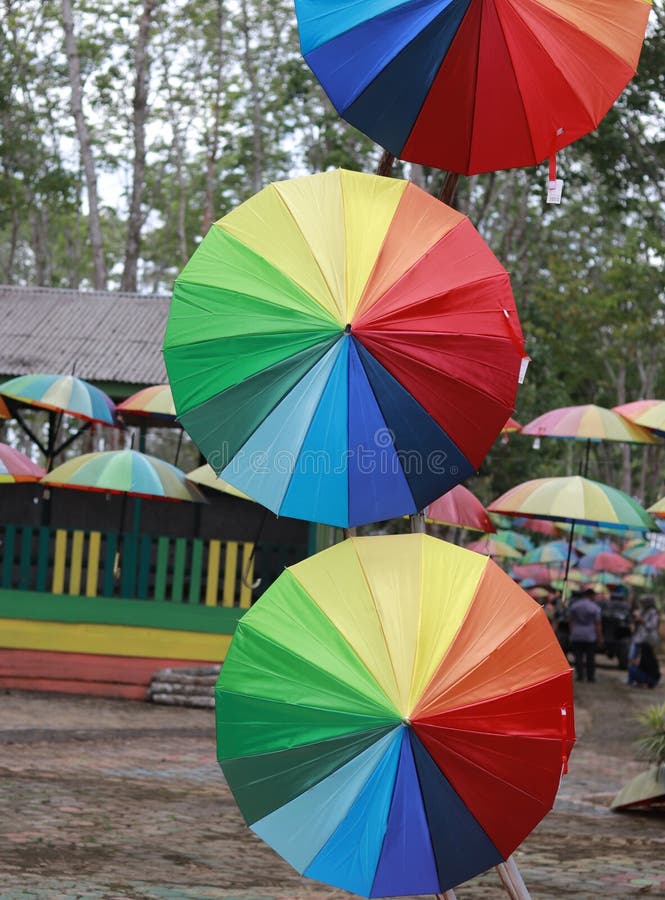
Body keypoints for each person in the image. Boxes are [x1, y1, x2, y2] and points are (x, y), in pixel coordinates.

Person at [568, 588, 603, 683]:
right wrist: (600, 637)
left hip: (577, 634)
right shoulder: (595, 607)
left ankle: (580, 675)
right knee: (590, 657)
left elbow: (570, 621)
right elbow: (597, 624)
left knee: (578, 657)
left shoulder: (575, 606)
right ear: (591, 595)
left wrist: (572, 633)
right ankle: (590, 676)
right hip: (590, 635)